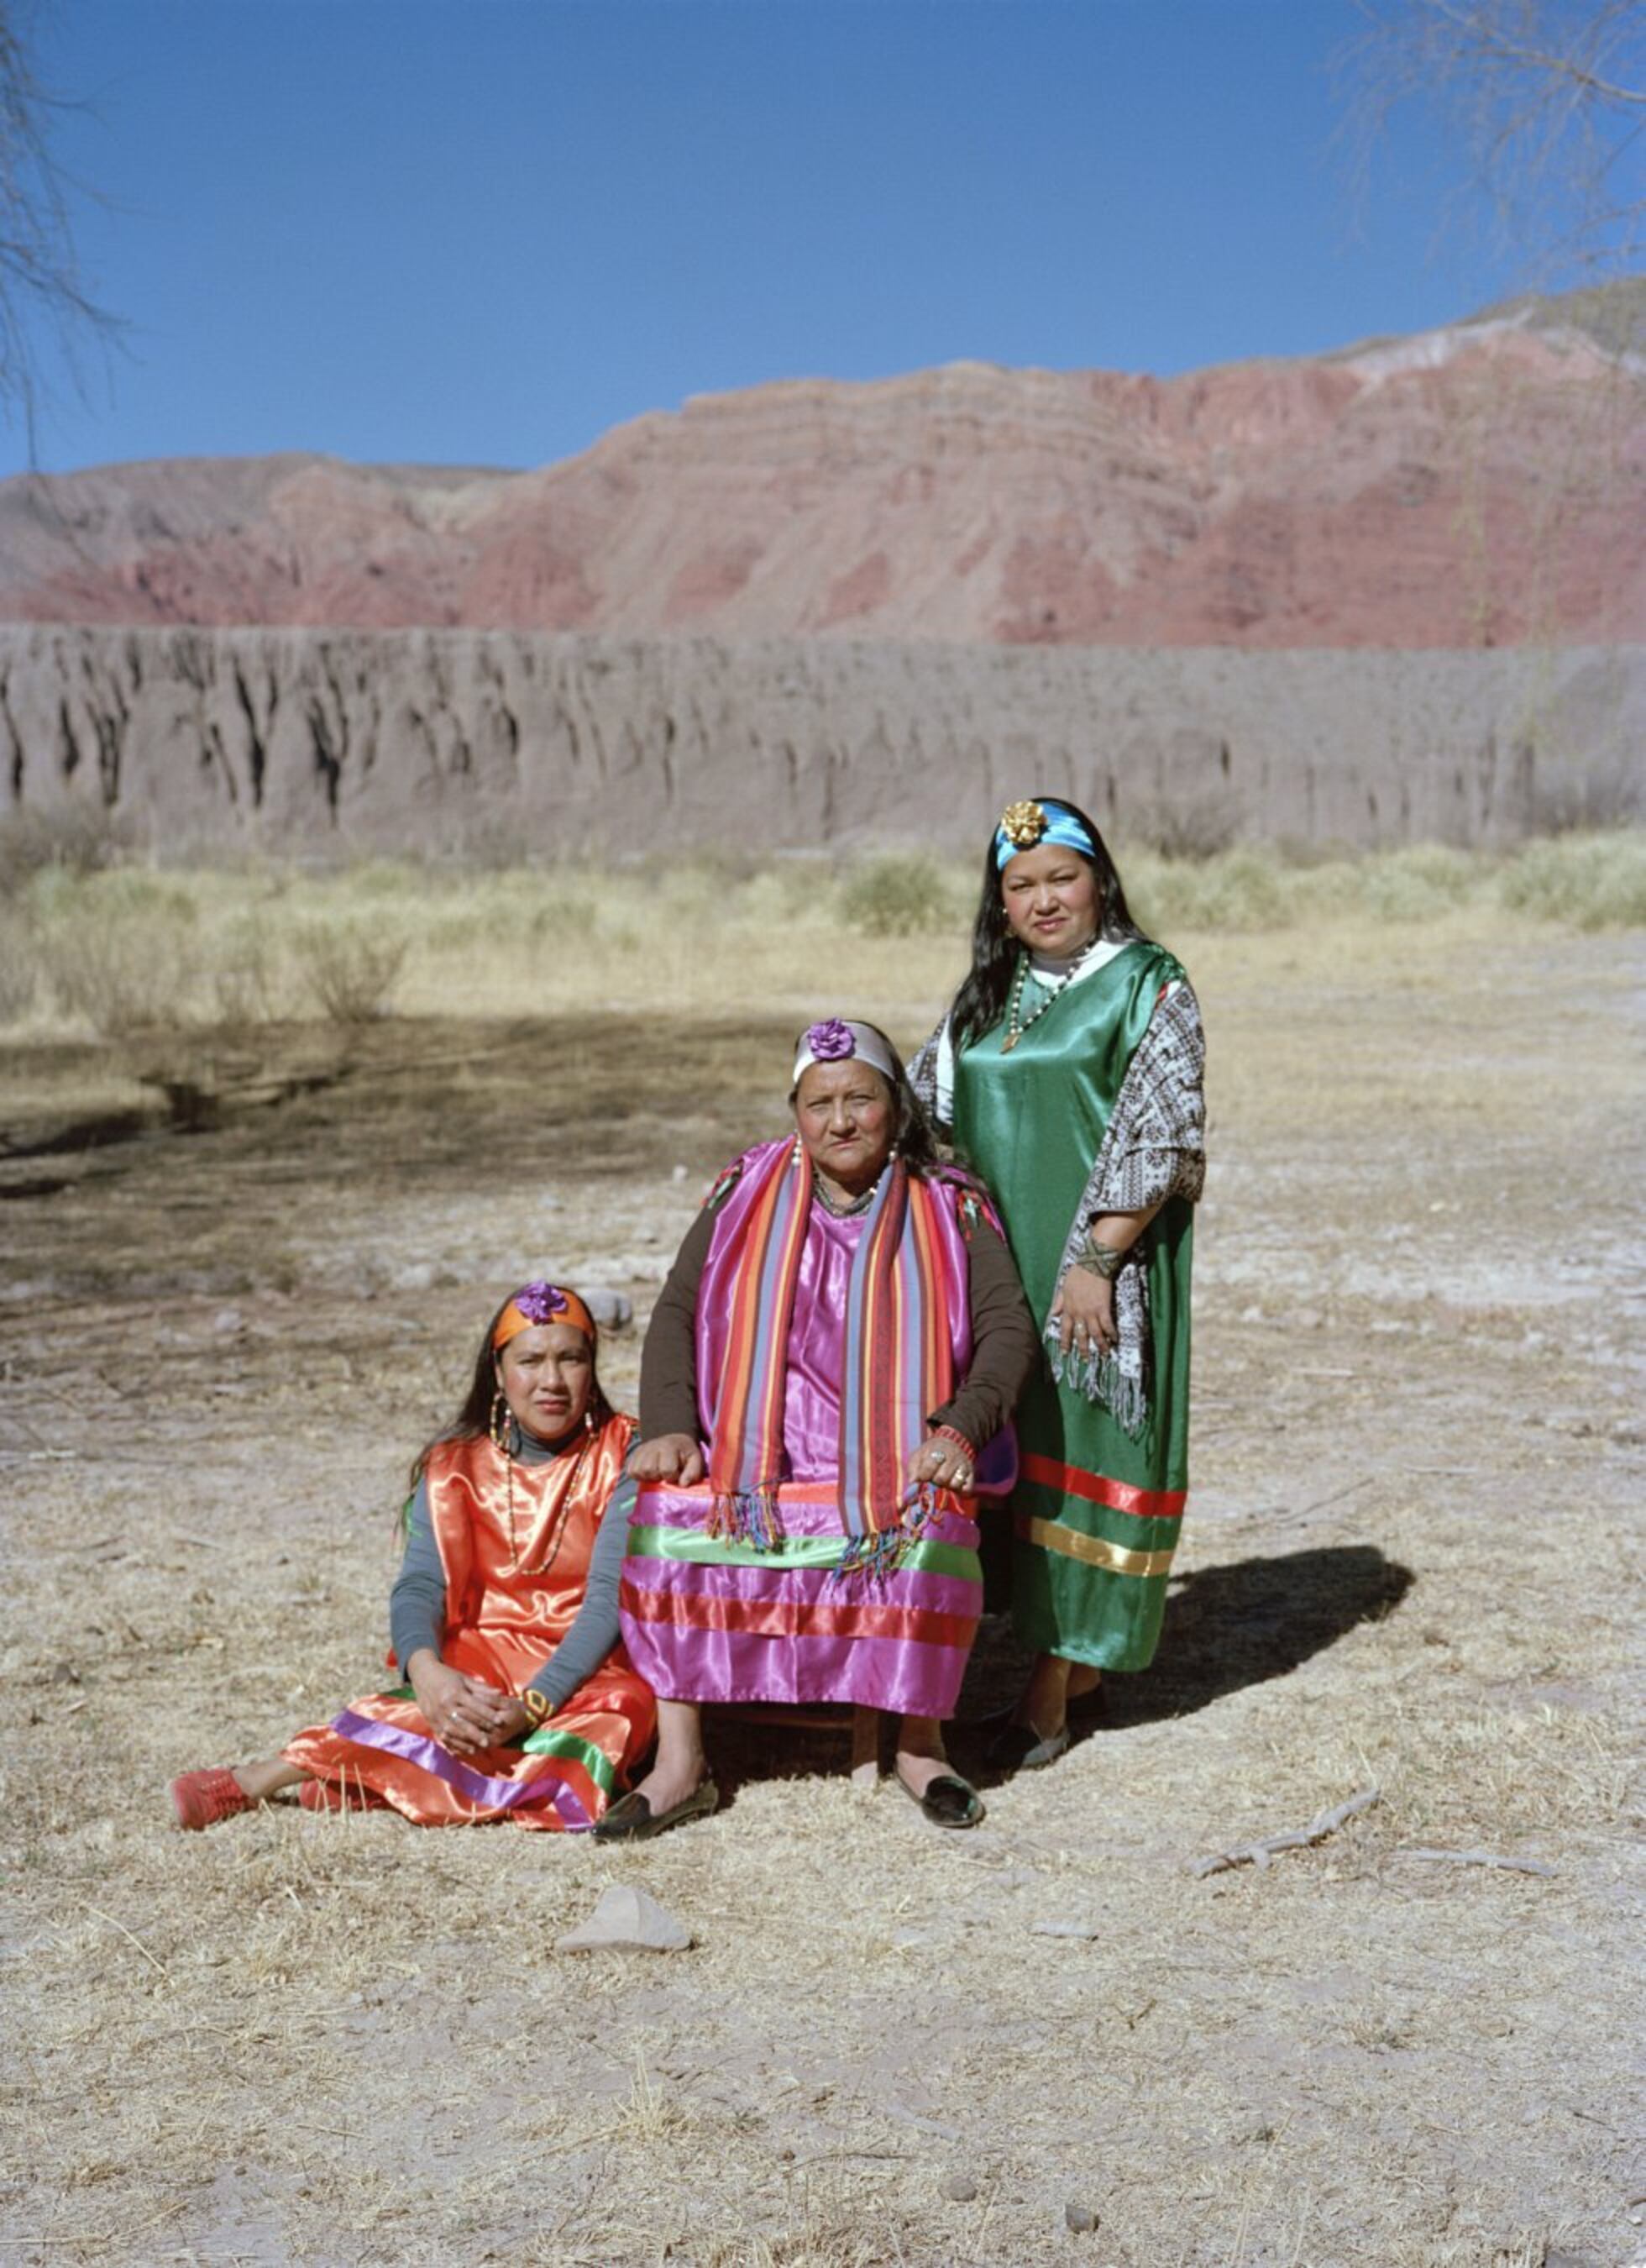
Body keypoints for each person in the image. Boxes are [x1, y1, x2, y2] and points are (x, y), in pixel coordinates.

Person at [599, 1018, 1039, 1839]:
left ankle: (919, 1744)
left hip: (893, 1455)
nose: (840, 1121)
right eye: (819, 1103)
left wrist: (959, 1429)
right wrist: (669, 1423)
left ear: (895, 1107)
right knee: (665, 1516)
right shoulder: (743, 1189)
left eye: (860, 1099)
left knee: (927, 1518)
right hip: (757, 1462)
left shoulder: (950, 1206)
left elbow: (1005, 1328)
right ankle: (681, 1762)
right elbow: (679, 1309)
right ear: (795, 1113)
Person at [913, 796, 1206, 1769]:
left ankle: (1051, 1692)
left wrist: (1095, 1262)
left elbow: (1164, 1134)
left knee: (1087, 1460)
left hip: (1093, 1275)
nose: (1043, 900)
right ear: (998, 904)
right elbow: (921, 1113)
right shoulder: (983, 998)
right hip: (999, 1276)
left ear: (1099, 881)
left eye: (1061, 878)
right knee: (1019, 1464)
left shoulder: (1147, 984)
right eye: (1020, 885)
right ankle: (1065, 1665)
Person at [169, 1283, 656, 1831]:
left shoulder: (628, 1454)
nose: (551, 1380)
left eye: (571, 1358)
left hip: (589, 1669)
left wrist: (535, 1707)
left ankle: (359, 1781)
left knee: (622, 1715)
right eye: (530, 1360)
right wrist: (427, 1675)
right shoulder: (453, 1466)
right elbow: (421, 1585)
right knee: (437, 1712)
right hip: (484, 1657)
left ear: (592, 1367)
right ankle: (257, 1779)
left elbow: (605, 1602)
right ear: (499, 1373)